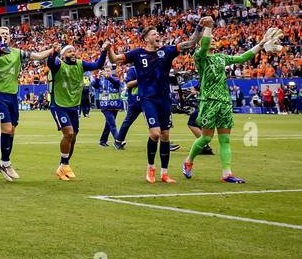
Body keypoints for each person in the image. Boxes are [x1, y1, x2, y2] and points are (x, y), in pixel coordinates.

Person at [183, 17, 280, 183]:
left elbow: (242, 58)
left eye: (214, 38)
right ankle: (188, 161)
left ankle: (227, 174)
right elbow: (204, 44)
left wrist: (261, 43)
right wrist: (209, 26)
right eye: (211, 38)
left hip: (224, 102)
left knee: (225, 139)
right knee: (206, 138)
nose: (213, 40)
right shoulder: (199, 56)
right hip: (209, 101)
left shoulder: (221, 57)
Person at [109, 26, 187, 184]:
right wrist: (109, 49)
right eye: (154, 34)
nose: (158, 35)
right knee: (155, 134)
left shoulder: (167, 51)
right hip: (147, 98)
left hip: (164, 99)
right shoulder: (137, 53)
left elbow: (190, 43)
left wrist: (201, 27)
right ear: (146, 38)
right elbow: (114, 59)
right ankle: (151, 168)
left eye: (158, 33)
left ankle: (164, 173)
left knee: (165, 135)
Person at [0, 26, 53, 181]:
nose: (5, 35)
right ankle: (6, 163)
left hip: (12, 95)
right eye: (2, 33)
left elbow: (37, 56)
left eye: (7, 33)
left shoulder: (16, 52)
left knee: (12, 130)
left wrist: (51, 50)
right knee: (7, 128)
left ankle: (3, 163)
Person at [44, 43, 109, 180]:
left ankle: (63, 166)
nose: (73, 53)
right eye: (69, 51)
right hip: (59, 104)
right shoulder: (58, 64)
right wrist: (53, 52)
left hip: (74, 105)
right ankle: (64, 164)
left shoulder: (80, 64)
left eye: (74, 51)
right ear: (63, 55)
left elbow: (97, 65)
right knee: (68, 133)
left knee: (73, 137)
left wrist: (103, 51)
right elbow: (50, 63)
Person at [92, 66, 126, 148]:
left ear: (111, 72)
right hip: (105, 105)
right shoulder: (101, 80)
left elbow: (117, 83)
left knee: (109, 124)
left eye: (108, 71)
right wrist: (97, 77)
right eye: (105, 71)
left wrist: (109, 77)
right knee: (112, 123)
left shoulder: (115, 79)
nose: (107, 72)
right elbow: (94, 85)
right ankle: (118, 141)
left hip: (115, 105)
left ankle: (102, 141)